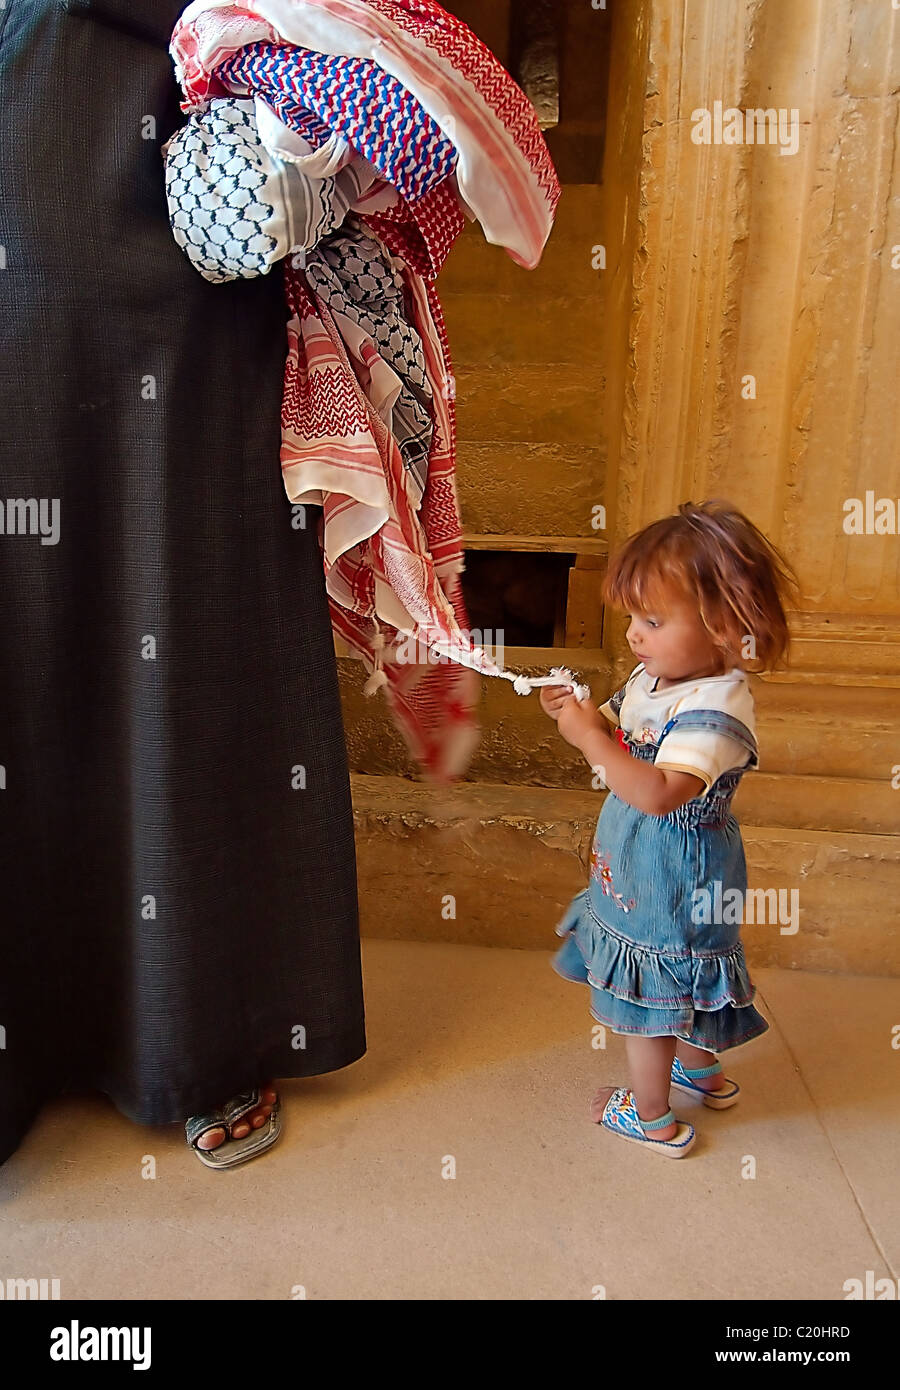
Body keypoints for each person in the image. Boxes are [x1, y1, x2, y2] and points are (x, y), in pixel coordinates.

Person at [0, 0, 364, 1170]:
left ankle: (201, 1032)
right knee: (44, 618)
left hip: (191, 220)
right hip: (32, 198)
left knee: (189, 603)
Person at [541, 501, 798, 1158]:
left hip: (678, 874)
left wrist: (589, 743)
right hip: (639, 864)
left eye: (653, 621)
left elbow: (658, 792)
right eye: (632, 617)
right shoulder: (659, 674)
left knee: (657, 991)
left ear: (724, 626)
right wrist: (581, 716)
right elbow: (618, 725)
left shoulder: (716, 708)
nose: (633, 634)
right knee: (681, 979)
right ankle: (700, 1070)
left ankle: (652, 1117)